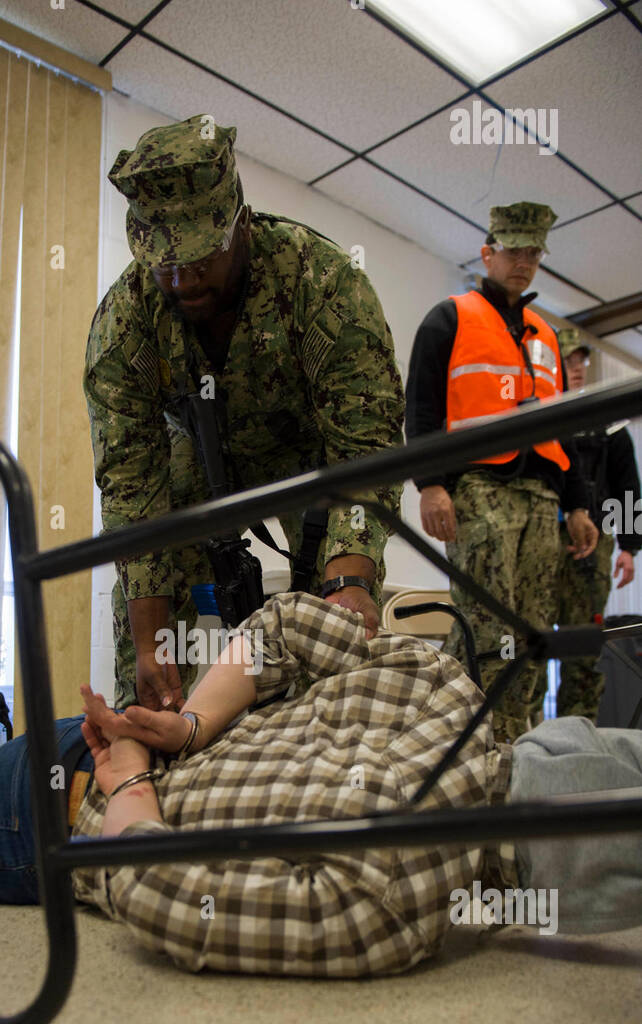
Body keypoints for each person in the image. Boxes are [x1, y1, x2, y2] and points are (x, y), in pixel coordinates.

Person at [0, 592, 641, 978]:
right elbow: (159, 894)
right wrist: (169, 748)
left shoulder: (445, 695)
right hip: (67, 797)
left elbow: (289, 625)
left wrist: (175, 738)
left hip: (66, 781)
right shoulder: (400, 893)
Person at [83, 114, 406, 713]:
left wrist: (349, 579)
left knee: (335, 626)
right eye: (164, 261)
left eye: (202, 256)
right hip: (191, 453)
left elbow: (368, 444)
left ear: (238, 221)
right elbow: (131, 491)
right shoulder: (125, 326)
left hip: (306, 455)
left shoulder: (323, 281)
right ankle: (158, 760)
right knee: (149, 641)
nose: (182, 277)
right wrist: (153, 641)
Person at [406, 201, 600, 743]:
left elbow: (563, 427)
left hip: (542, 498)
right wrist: (432, 484)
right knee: (488, 626)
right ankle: (465, 742)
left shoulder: (546, 334)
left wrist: (578, 505)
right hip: (477, 490)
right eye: (514, 249)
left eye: (534, 251)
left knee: (536, 631)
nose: (524, 260)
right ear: (488, 252)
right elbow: (421, 408)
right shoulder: (451, 316)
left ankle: (523, 747)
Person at [530, 326, 640, 720]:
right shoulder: (539, 413)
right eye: (569, 360)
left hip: (592, 546)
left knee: (582, 645)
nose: (576, 369)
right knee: (532, 639)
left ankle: (577, 732)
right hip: (538, 539)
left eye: (582, 361)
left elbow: (628, 487)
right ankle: (529, 737)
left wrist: (629, 547)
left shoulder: (608, 422)